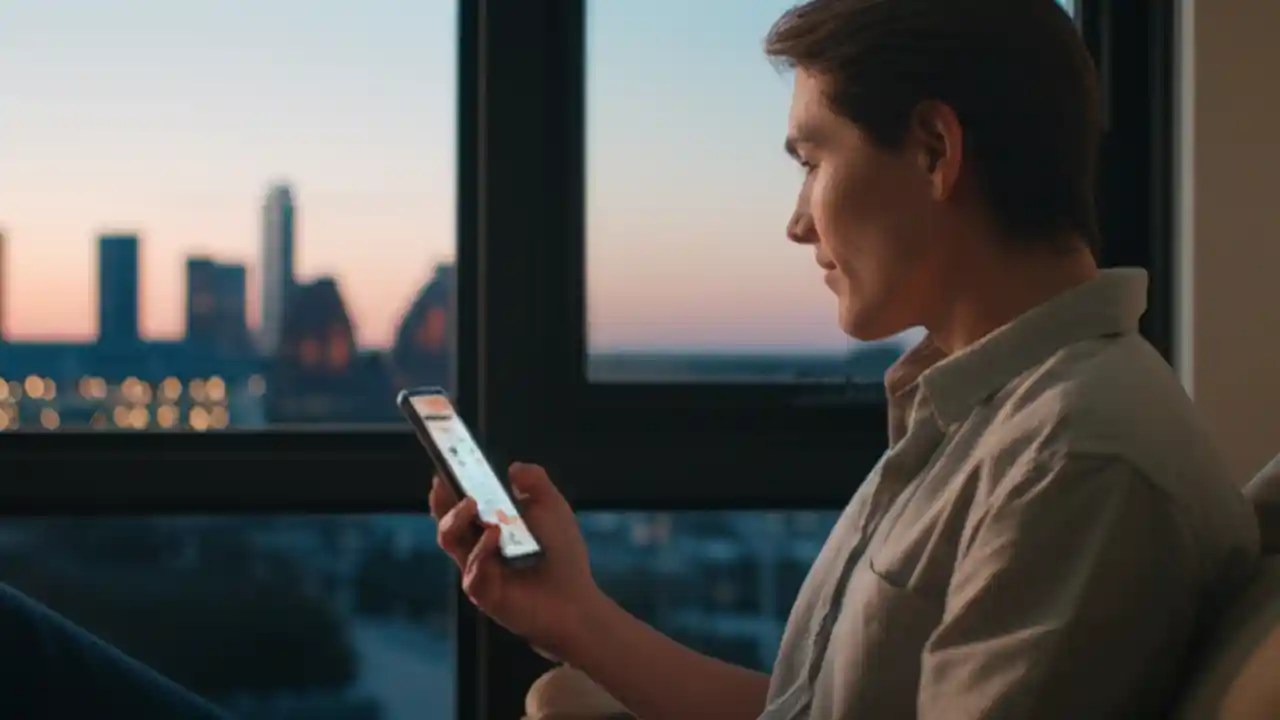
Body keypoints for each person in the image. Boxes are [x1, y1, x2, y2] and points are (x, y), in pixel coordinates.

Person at [430, 0, 1260, 718]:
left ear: (936, 150)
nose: (798, 223)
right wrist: (573, 616)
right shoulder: (985, 416)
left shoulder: (1074, 460)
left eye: (812, 161)